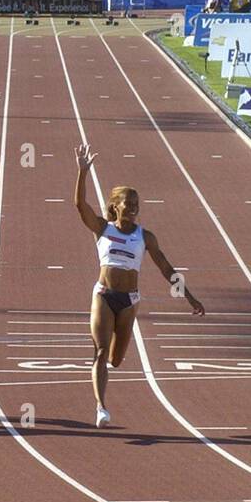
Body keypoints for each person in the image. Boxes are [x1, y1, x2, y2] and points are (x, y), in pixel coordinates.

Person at [73, 145, 204, 428]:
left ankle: (104, 370)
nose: (132, 208)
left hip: (129, 300)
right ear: (115, 206)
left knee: (116, 359)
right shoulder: (102, 229)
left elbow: (166, 268)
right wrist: (83, 173)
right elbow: (80, 206)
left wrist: (190, 298)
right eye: (127, 204)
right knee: (99, 351)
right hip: (104, 295)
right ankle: (101, 406)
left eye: (136, 205)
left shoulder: (146, 237)